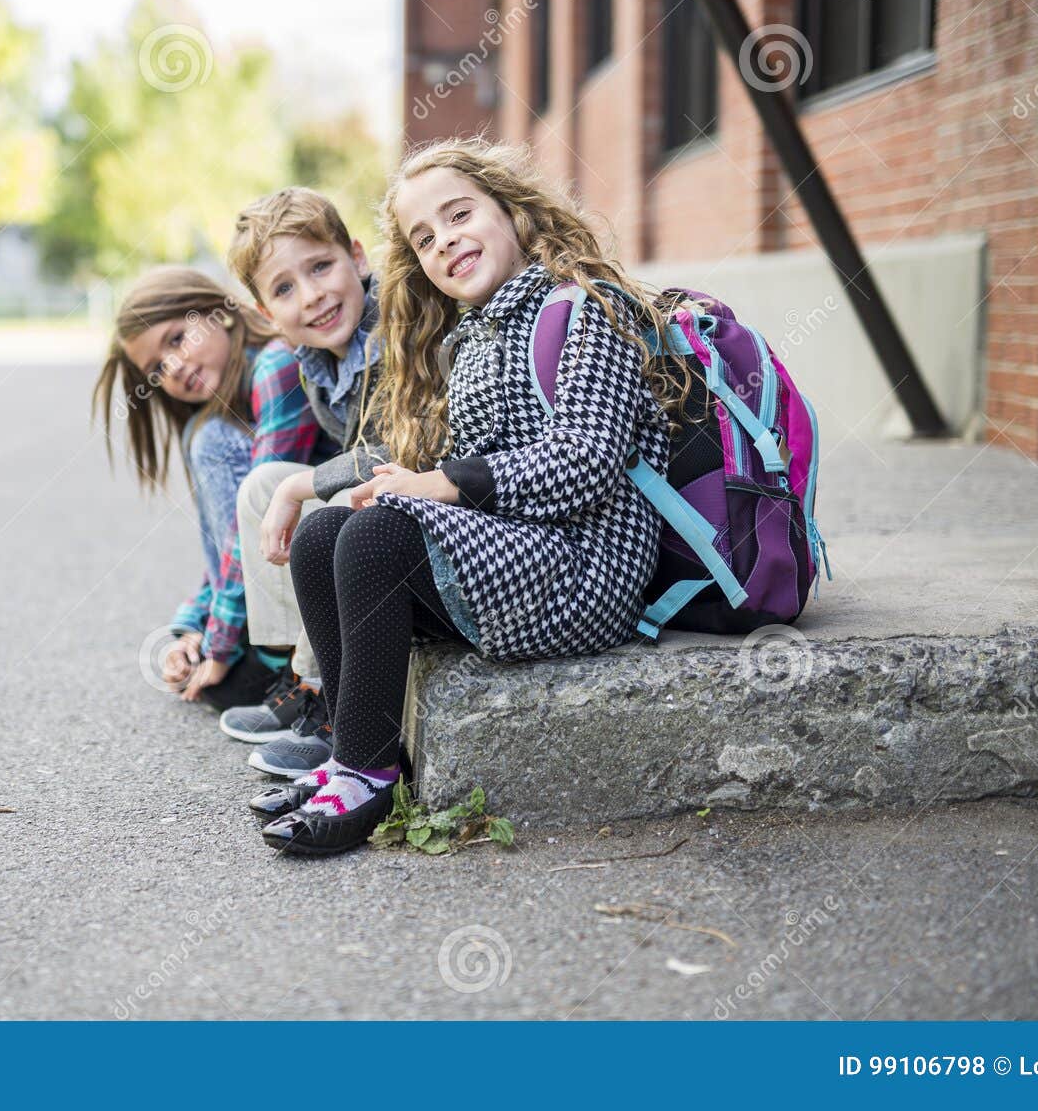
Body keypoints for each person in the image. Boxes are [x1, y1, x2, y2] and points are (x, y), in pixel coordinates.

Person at [261, 138, 692, 856]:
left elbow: (585, 463)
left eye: (460, 214)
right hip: (517, 554)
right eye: (424, 238)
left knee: (379, 538)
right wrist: (314, 485)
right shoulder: (470, 339)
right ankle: (354, 753)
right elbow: (418, 459)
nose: (445, 241)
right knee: (325, 533)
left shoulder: (583, 307)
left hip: (587, 567)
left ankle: (368, 780)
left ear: (514, 211)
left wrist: (448, 484)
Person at [216, 189, 389, 784]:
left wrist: (307, 488)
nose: (312, 296)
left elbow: (406, 456)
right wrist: (294, 488)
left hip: (428, 507)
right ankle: (306, 681)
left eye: (321, 267)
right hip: (383, 501)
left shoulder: (396, 331)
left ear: (358, 259)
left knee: (323, 504)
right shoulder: (315, 363)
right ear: (266, 313)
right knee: (264, 484)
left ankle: (337, 709)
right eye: (284, 288)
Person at [93, 266, 321, 707]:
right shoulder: (215, 413)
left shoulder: (275, 366)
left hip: (321, 547)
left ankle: (280, 659)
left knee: (210, 440)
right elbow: (227, 546)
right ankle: (255, 648)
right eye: (157, 368)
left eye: (177, 339)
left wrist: (220, 648)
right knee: (204, 434)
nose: (173, 367)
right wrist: (192, 630)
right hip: (286, 559)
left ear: (219, 313)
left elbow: (261, 519)